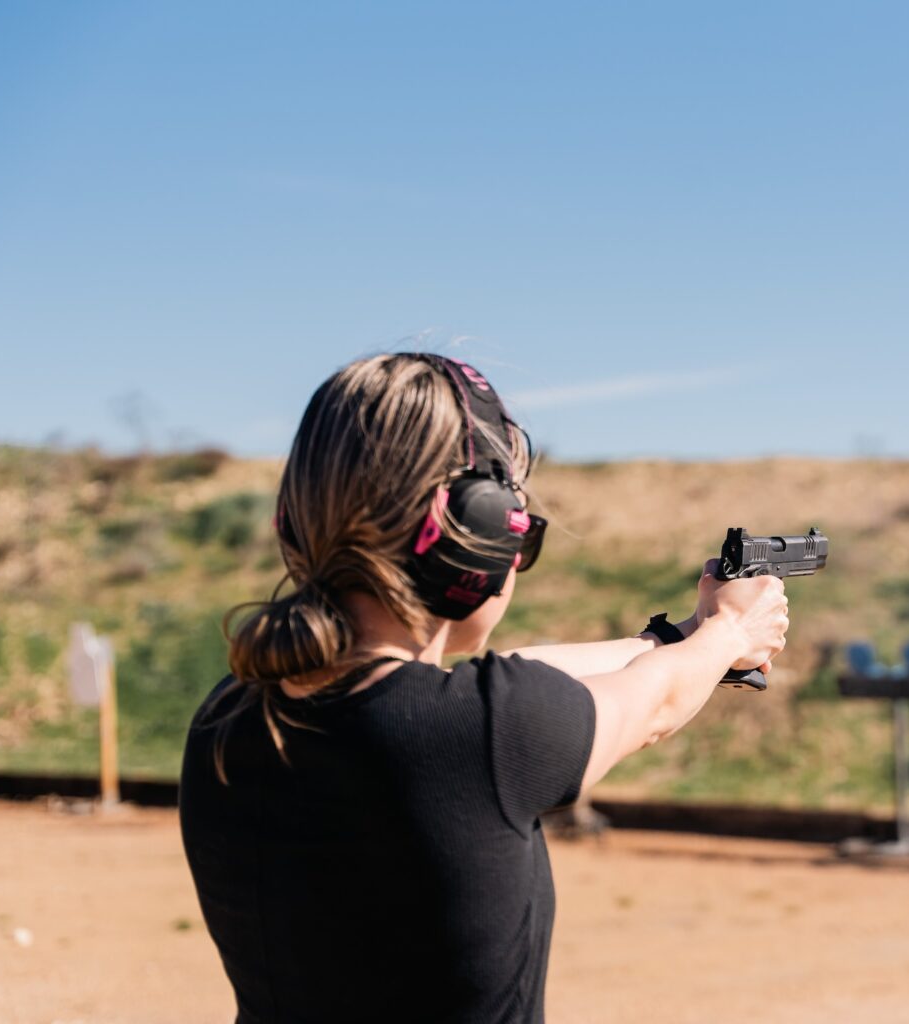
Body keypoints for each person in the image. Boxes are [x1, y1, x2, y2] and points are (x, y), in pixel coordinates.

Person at [178, 353, 789, 1023]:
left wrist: (680, 637)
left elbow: (491, 687)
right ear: (480, 526)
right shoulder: (478, 736)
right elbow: (653, 704)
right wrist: (730, 632)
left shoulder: (227, 717)